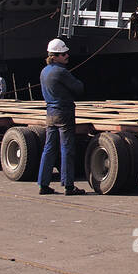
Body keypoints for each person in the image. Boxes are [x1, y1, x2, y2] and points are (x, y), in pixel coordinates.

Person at [37, 38, 85, 196]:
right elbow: (78, 88)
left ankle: (43, 184)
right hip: (64, 113)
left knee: (49, 149)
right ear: (55, 56)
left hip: (50, 113)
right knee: (67, 149)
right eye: (63, 54)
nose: (67, 56)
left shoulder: (44, 71)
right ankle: (68, 186)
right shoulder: (61, 72)